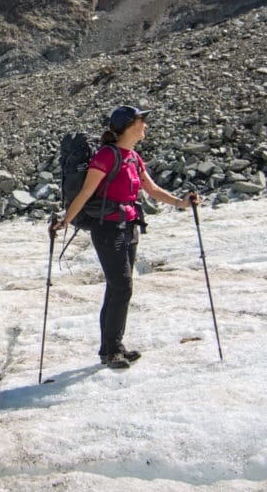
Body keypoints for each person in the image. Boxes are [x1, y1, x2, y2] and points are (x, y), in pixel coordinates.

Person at [51, 106, 200, 369]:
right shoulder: (107, 156)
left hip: (129, 226)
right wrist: (66, 220)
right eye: (142, 121)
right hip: (107, 228)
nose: (146, 126)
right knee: (122, 285)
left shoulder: (132, 157)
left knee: (117, 286)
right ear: (131, 125)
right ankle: (112, 350)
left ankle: (110, 347)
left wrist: (181, 203)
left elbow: (151, 189)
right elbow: (85, 193)